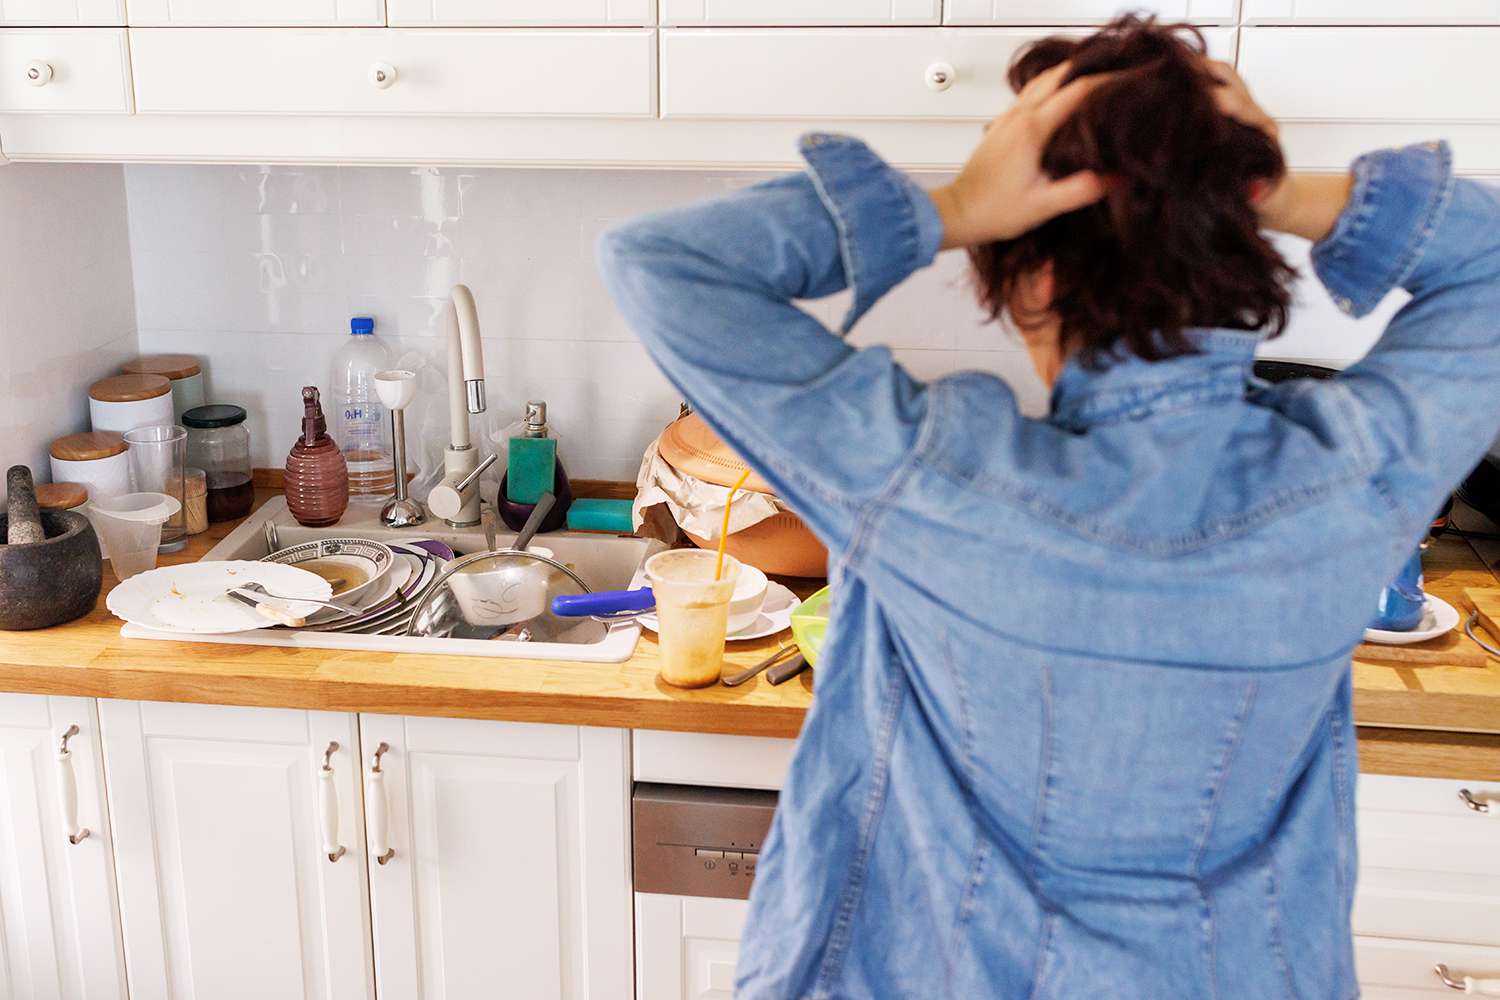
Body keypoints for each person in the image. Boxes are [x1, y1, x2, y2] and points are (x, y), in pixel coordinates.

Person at [599, 16, 1500, 999]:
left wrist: (955, 205)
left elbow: (661, 264)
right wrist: (1268, 188)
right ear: (1238, 246)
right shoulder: (1350, 480)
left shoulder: (929, 475)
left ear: (1031, 276)